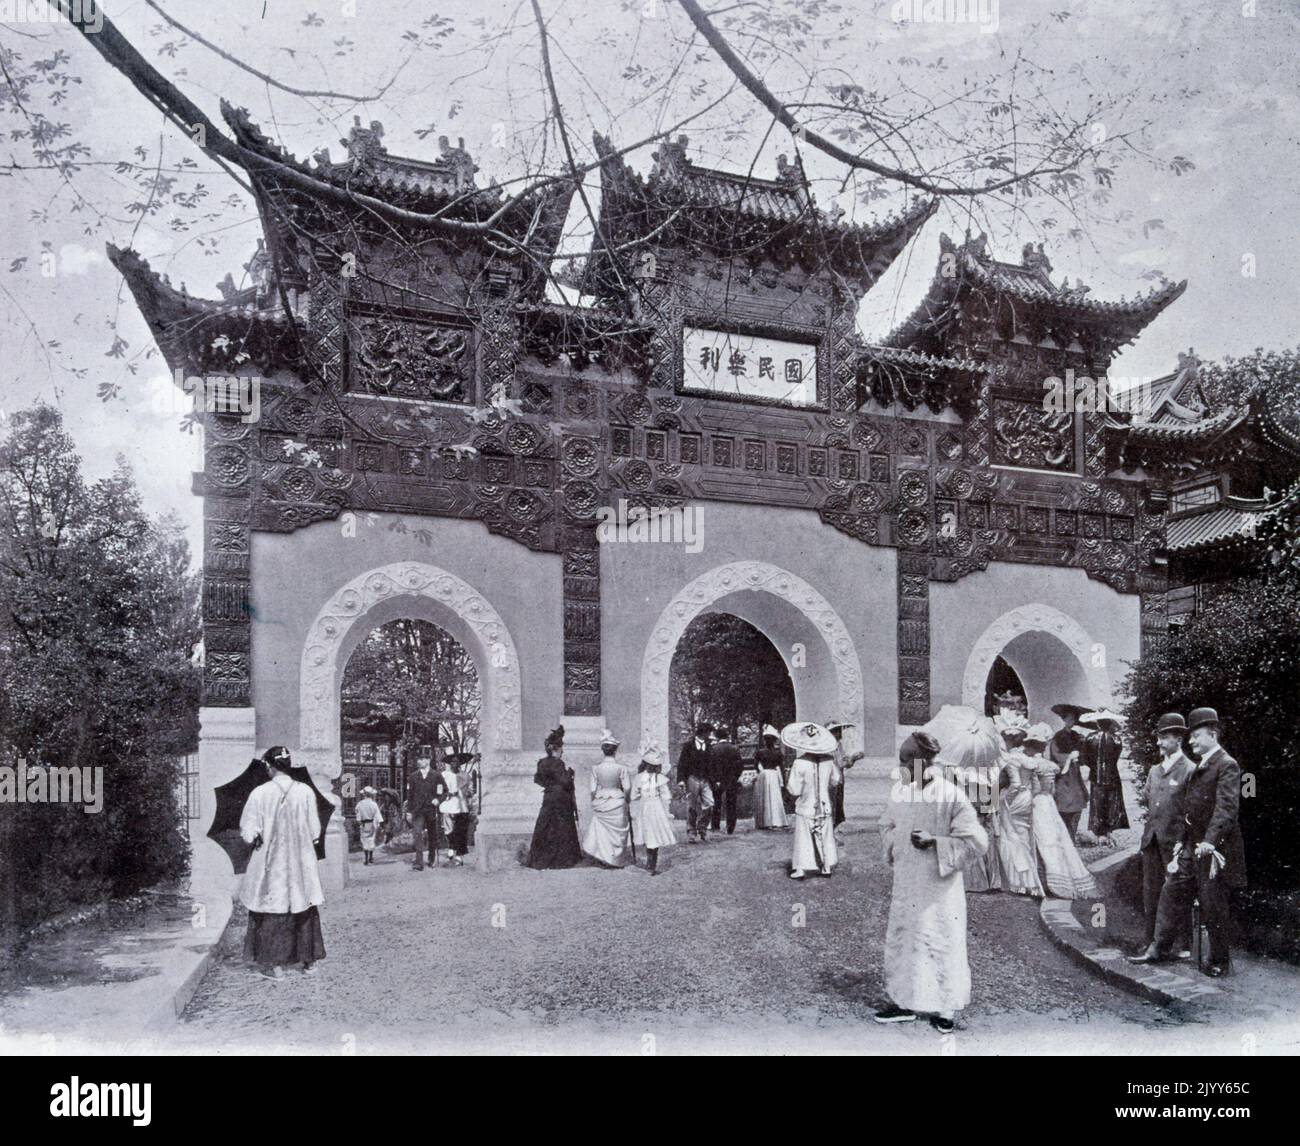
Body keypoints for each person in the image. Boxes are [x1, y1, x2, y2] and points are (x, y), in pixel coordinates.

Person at [875, 731, 988, 1033]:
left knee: (941, 938)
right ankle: (904, 1000)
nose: (900, 765)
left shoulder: (951, 794)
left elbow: (976, 841)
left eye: (904, 759)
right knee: (905, 937)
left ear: (922, 761)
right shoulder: (902, 791)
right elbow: (885, 823)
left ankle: (946, 1008)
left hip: (939, 886)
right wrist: (897, 842)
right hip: (908, 880)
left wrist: (935, 842)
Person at [1130, 707, 1247, 978]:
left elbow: (1226, 809)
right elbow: (1189, 811)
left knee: (1212, 904)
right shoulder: (1201, 765)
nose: (1191, 741)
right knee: (1170, 892)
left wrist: (1209, 842)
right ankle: (1158, 948)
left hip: (1213, 849)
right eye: (1190, 737)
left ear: (1212, 735)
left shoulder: (1226, 764)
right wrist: (1183, 841)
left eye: (1196, 736)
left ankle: (1219, 962)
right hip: (1192, 846)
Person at [239, 746, 326, 980]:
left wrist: (255, 835)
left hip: (271, 860)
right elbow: (315, 830)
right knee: (303, 903)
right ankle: (309, 962)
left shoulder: (259, 793)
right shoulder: (305, 791)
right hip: (300, 859)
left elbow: (248, 831)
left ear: (269, 766)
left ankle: (276, 966)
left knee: (272, 905)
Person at [1023, 724, 1099, 899]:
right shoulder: (1049, 765)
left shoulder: (1032, 765)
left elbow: (1031, 789)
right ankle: (1065, 877)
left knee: (1043, 840)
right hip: (1048, 802)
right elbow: (1053, 787)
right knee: (1057, 838)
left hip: (1037, 802)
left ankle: (1046, 878)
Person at [1138, 713, 1193, 955]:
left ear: (1178, 739)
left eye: (1164, 738)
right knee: (1151, 893)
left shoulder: (1190, 770)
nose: (1159, 743)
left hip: (1175, 843)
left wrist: (1184, 841)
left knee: (1177, 893)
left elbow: (1193, 811)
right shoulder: (1154, 770)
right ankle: (1150, 941)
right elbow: (1147, 799)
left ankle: (1183, 944)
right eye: (1158, 738)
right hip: (1151, 840)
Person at [992, 720, 1043, 897]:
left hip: (1014, 801)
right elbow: (1036, 787)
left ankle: (1020, 883)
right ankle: (1031, 883)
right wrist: (1028, 796)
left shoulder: (1011, 760)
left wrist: (1003, 799)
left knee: (1013, 839)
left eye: (1004, 741)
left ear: (1009, 742)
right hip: (1027, 799)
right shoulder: (1029, 760)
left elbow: (1015, 784)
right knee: (1025, 839)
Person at [783, 722, 838, 880]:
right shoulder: (829, 761)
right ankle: (826, 866)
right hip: (824, 804)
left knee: (803, 837)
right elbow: (835, 780)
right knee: (825, 835)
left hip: (806, 805)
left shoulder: (799, 762)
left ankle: (801, 869)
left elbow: (794, 789)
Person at [526, 726, 584, 869]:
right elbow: (565, 781)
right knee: (562, 826)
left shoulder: (542, 762)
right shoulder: (558, 763)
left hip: (548, 797)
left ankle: (541, 858)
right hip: (560, 798)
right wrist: (569, 775)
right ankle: (562, 859)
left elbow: (537, 780)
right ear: (555, 749)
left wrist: (550, 784)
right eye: (560, 749)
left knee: (545, 826)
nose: (562, 751)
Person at [583, 729, 632, 867]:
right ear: (615, 751)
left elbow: (592, 790)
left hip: (601, 800)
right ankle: (614, 859)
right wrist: (627, 800)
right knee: (616, 833)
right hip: (617, 799)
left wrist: (595, 801)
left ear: (603, 750)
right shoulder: (621, 768)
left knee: (602, 832)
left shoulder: (596, 768)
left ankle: (604, 857)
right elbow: (627, 787)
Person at [1084, 711, 1129, 844]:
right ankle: (1109, 831)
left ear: (1098, 722)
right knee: (1111, 803)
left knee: (1097, 803)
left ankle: (1099, 833)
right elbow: (1116, 756)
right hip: (1112, 775)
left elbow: (1086, 757)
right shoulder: (1116, 739)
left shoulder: (1090, 738)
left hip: (1096, 775)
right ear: (1109, 722)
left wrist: (1094, 766)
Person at [630, 744, 676, 875]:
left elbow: (666, 795)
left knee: (654, 833)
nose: (652, 767)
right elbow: (634, 795)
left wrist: (666, 809)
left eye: (654, 765)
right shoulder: (639, 778)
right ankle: (650, 860)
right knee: (648, 832)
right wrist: (637, 796)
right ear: (645, 764)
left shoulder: (659, 778)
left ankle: (652, 861)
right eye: (649, 764)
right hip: (645, 808)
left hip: (656, 808)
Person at [1049, 703, 1091, 841]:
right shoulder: (1058, 736)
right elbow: (1055, 754)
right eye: (1069, 719)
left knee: (1077, 802)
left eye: (1074, 719)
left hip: (1074, 773)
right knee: (1064, 803)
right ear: (1064, 719)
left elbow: (1084, 757)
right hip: (1063, 774)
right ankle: (1065, 837)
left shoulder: (1076, 736)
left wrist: (1082, 748)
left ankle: (1071, 836)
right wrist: (1069, 757)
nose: (1071, 722)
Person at [406, 751, 447, 872]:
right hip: (417, 810)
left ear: (428, 761)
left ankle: (431, 858)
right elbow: (410, 795)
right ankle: (419, 862)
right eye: (418, 759)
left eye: (421, 759)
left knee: (432, 835)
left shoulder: (436, 775)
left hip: (431, 809)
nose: (419, 761)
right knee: (417, 834)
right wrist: (409, 811)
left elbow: (444, 792)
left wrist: (438, 800)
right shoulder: (413, 776)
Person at [676, 722, 714, 843]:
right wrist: (681, 780)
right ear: (703, 732)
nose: (709, 735)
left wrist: (714, 779)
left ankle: (702, 829)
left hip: (705, 779)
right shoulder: (688, 746)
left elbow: (712, 764)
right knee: (691, 806)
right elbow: (681, 764)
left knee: (709, 804)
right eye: (708, 732)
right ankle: (691, 832)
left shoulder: (708, 746)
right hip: (692, 778)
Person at [826, 720, 865, 837]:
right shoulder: (831, 745)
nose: (840, 733)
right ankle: (831, 829)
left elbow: (842, 761)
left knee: (837, 801)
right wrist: (852, 758)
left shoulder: (838, 744)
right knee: (833, 802)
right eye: (838, 731)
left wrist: (850, 759)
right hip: (833, 778)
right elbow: (839, 763)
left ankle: (835, 827)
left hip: (838, 777)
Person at [441, 753, 476, 867]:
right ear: (450, 763)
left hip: (462, 805)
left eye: (457, 762)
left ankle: (459, 855)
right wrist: (448, 793)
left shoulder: (465, 776)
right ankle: (451, 846)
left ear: (460, 764)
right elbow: (440, 789)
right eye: (452, 762)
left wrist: (468, 792)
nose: (454, 764)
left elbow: (471, 789)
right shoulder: (444, 775)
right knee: (449, 829)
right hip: (448, 804)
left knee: (461, 830)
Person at [752, 725, 789, 830]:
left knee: (766, 797)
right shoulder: (777, 753)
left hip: (765, 774)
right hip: (773, 774)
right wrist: (783, 780)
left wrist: (760, 771)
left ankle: (766, 821)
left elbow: (756, 764)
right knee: (773, 796)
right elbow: (781, 767)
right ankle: (776, 820)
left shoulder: (760, 752)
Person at [709, 733, 744, 835]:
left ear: (717, 737)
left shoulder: (713, 749)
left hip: (718, 781)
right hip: (731, 780)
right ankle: (730, 828)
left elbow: (710, 767)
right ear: (727, 737)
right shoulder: (734, 749)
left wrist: (714, 780)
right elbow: (740, 766)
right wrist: (735, 777)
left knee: (716, 803)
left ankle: (716, 827)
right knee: (731, 804)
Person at [355, 785, 383, 866]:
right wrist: (377, 824)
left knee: (364, 841)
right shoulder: (374, 804)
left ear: (364, 794)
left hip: (364, 824)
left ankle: (366, 859)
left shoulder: (360, 804)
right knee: (371, 840)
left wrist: (360, 823)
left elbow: (358, 816)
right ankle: (371, 858)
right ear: (371, 795)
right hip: (372, 823)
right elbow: (377, 816)